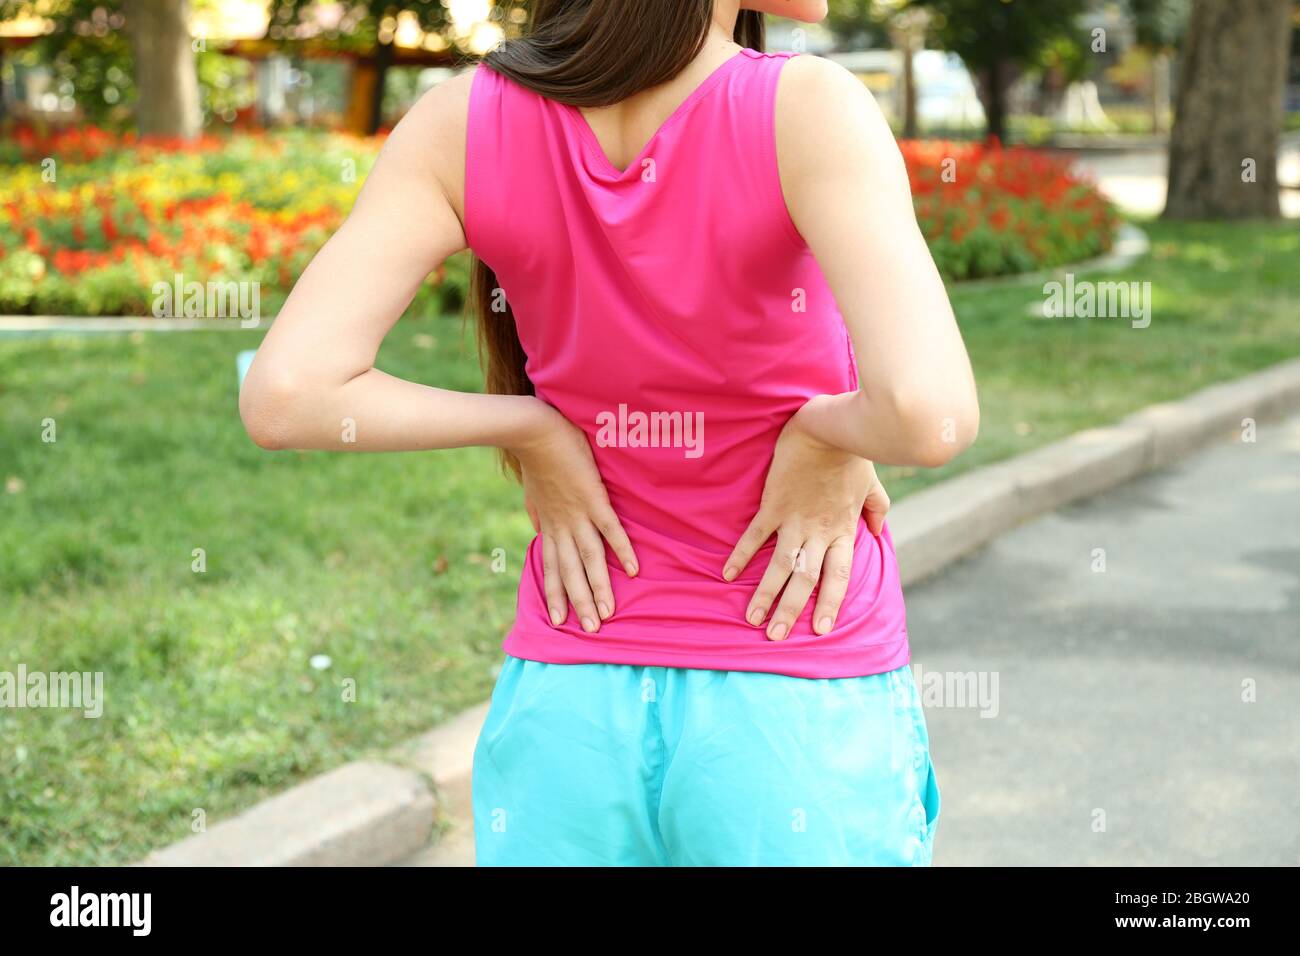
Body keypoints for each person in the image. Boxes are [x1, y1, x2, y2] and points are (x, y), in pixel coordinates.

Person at [239, 0, 979, 866]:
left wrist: (531, 425)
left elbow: (286, 393)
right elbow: (929, 414)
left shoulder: (463, 119)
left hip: (567, 708)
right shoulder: (809, 109)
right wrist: (826, 435)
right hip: (793, 700)